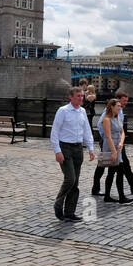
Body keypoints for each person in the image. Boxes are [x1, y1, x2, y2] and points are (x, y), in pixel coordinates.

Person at [51, 86, 96, 220]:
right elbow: (54, 132)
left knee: (75, 182)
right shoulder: (63, 111)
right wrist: (57, 151)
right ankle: (58, 204)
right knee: (70, 178)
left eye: (82, 96)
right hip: (65, 148)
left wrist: (91, 148)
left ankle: (70, 212)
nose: (81, 98)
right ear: (71, 97)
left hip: (78, 149)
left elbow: (87, 131)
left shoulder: (82, 111)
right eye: (78, 96)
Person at [98, 97, 133, 204]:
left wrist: (121, 143)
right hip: (110, 146)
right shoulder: (106, 119)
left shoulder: (118, 117)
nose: (120, 108)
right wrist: (114, 152)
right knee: (117, 171)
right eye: (118, 106)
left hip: (117, 145)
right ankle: (121, 197)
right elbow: (108, 136)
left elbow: (122, 132)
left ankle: (110, 196)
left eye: (120, 106)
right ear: (112, 107)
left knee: (113, 172)